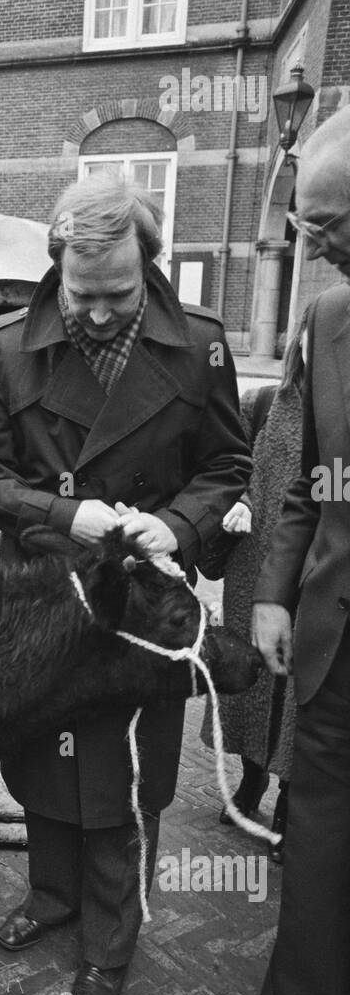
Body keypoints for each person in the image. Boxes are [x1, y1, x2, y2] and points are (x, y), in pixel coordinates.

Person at [0, 175, 251, 995]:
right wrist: (65, 512)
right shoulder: (5, 345)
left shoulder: (199, 346)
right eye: (81, 293)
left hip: (142, 608)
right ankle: (53, 896)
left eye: (118, 293)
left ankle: (111, 939)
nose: (96, 312)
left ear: (149, 266)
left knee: (123, 771)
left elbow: (228, 467)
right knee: (42, 755)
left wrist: (178, 529)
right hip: (46, 595)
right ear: (57, 267)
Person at [226, 105, 350, 995]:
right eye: (312, 228)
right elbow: (308, 482)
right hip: (332, 635)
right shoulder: (325, 323)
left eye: (340, 223)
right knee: (314, 826)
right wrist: (273, 589)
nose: (324, 245)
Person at [200, 310, 308, 861]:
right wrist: (239, 499)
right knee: (251, 679)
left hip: (317, 577)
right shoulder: (263, 402)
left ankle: (292, 801)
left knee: (300, 691)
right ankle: (251, 781)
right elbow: (227, 464)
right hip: (252, 570)